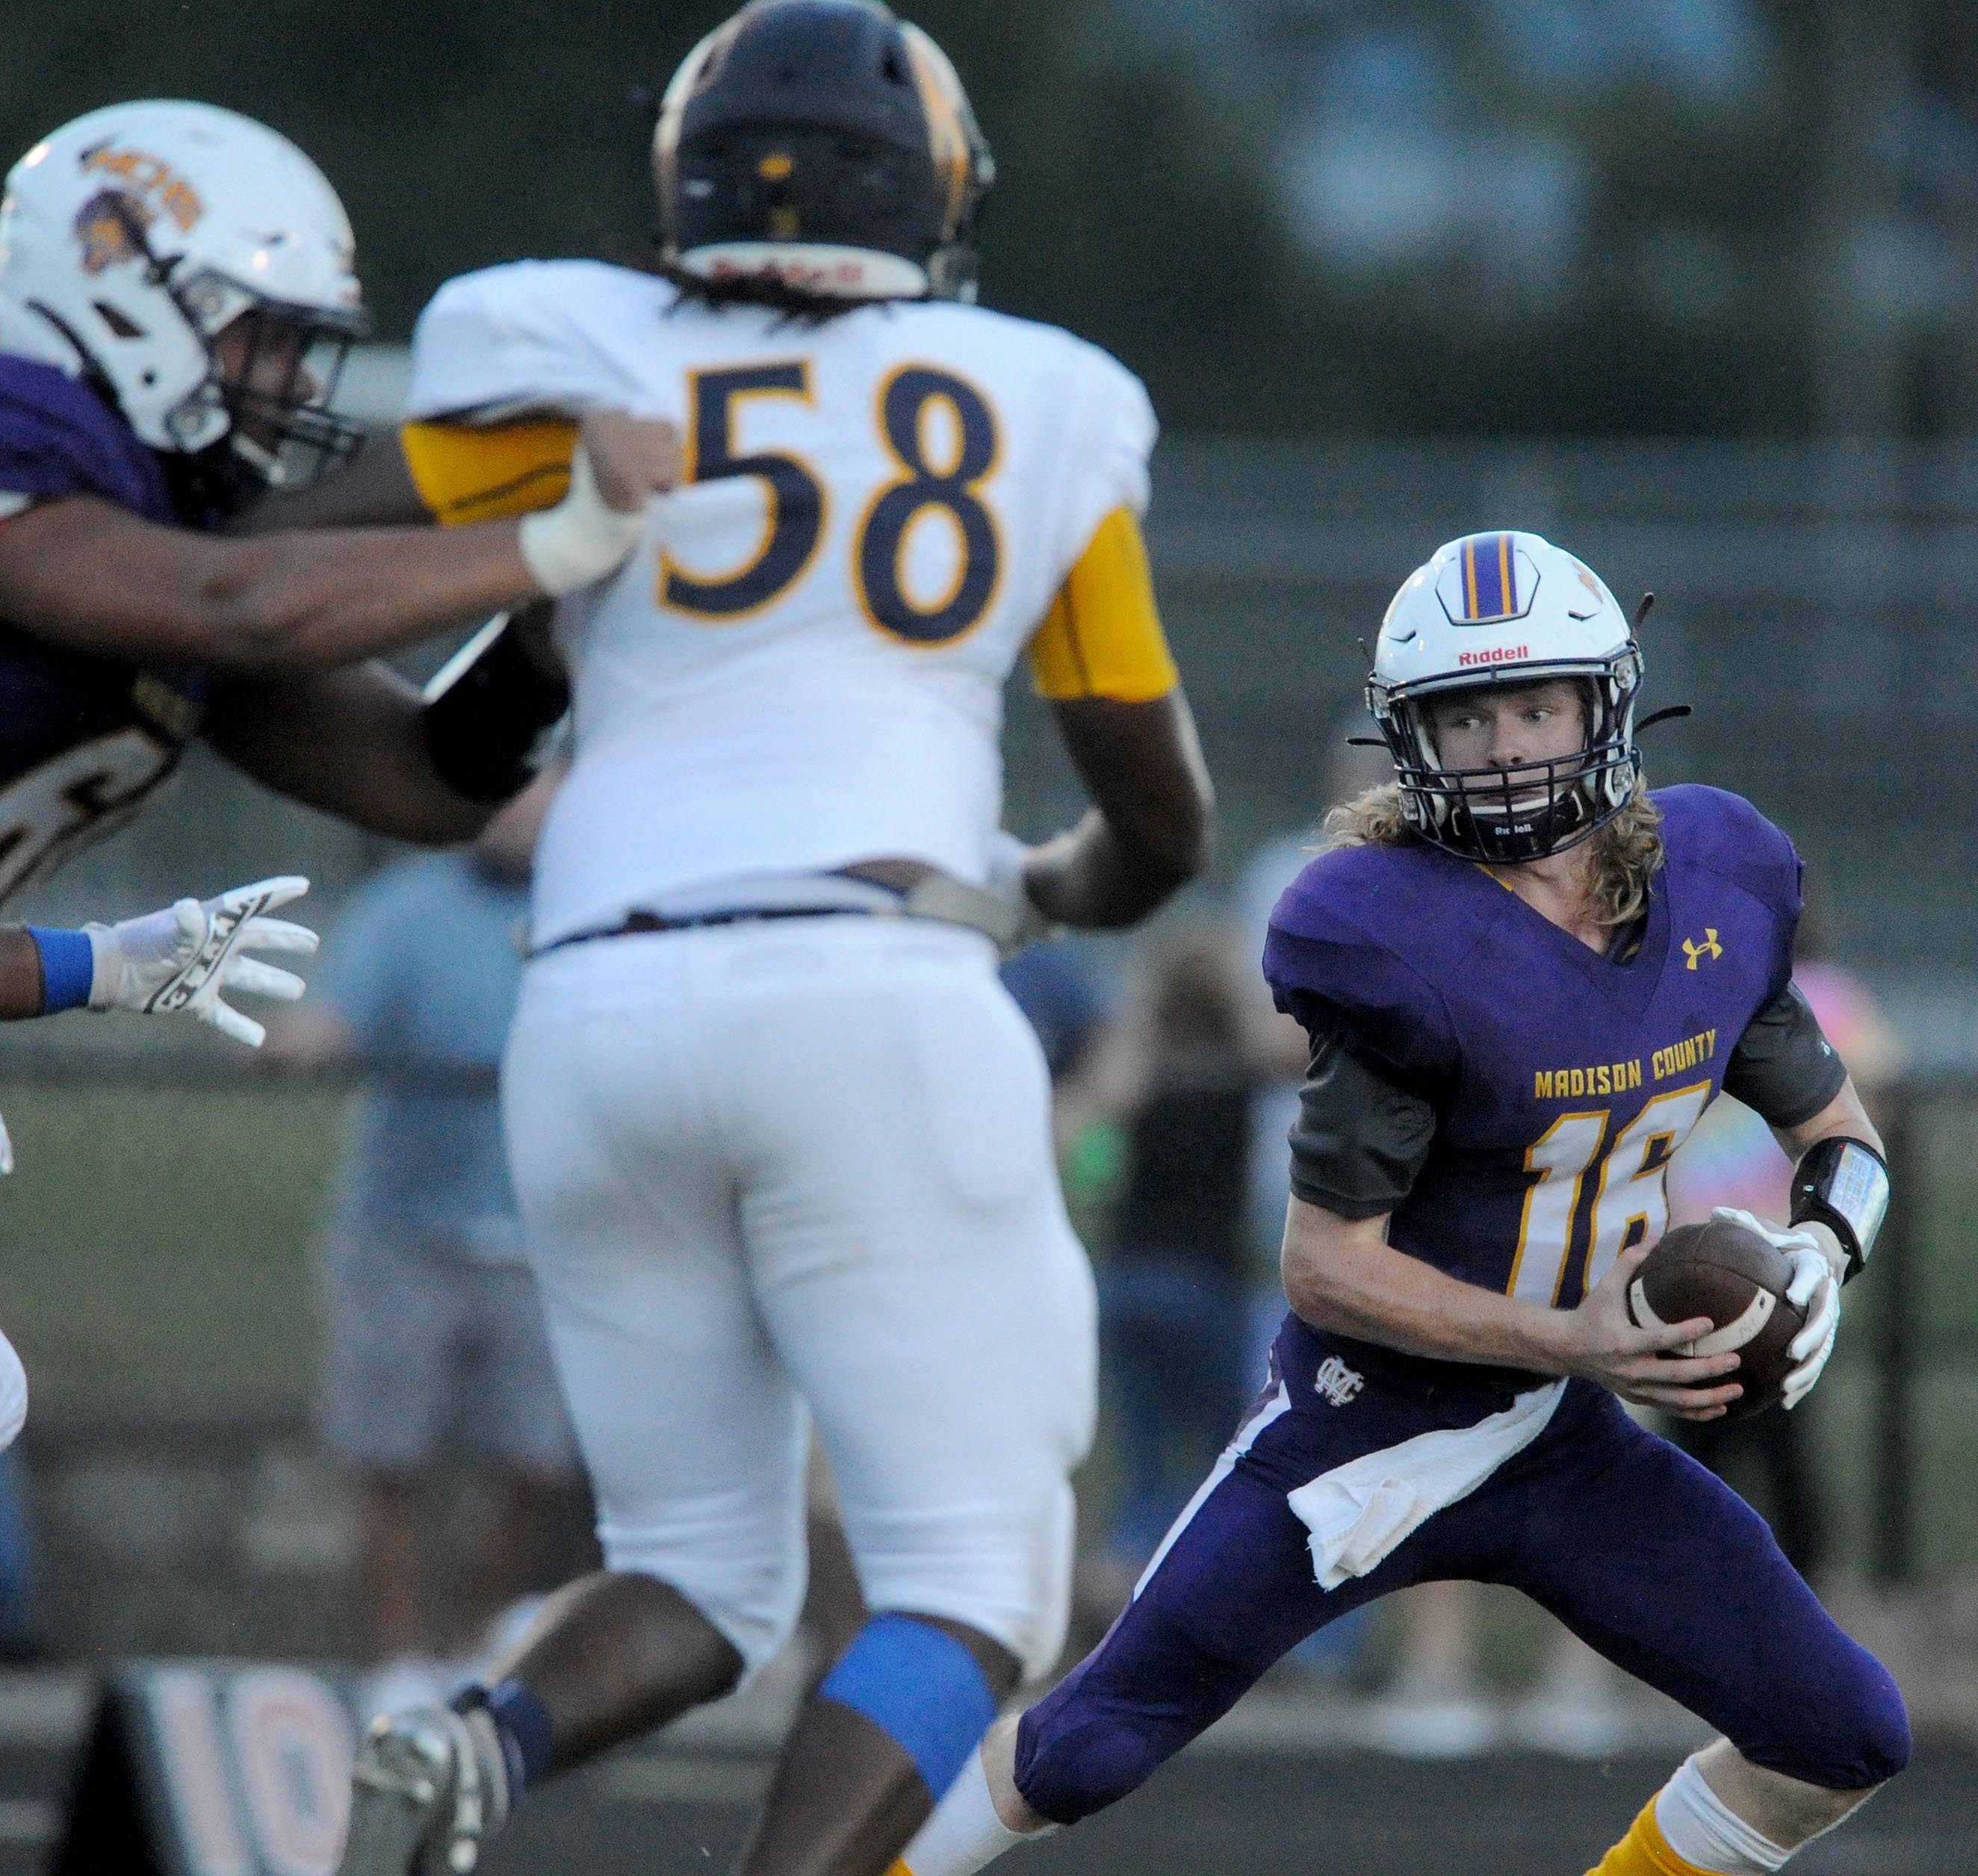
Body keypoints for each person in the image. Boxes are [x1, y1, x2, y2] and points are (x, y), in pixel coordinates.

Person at [332, 6, 1212, 1875]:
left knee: (694, 1569)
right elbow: (1157, 810)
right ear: (940, 189)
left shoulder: (595, 364)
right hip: (871, 978)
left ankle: (482, 1743)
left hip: (585, 1007)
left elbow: (347, 558)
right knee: (975, 1578)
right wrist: (1056, 886)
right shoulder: (1031, 390)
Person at [894, 529, 1907, 1876]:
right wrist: (1574, 1340)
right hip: (1364, 1438)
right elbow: (1321, 1266)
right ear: (1409, 736)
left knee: (1840, 1731)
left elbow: (1837, 1130)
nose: (1502, 745)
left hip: (1556, 1436)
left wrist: (1820, 1252)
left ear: (1604, 700)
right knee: (1088, 1744)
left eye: (1532, 705)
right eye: (1465, 715)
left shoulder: (1712, 887)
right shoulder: (1392, 935)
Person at [0, 99, 678, 909]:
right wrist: (560, 538)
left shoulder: (154, 528)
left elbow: (427, 783)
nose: (304, 380)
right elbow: (241, 602)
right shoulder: (29, 425)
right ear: (121, 303)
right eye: (272, 339)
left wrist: (536, 631)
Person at [264, 773, 581, 1707]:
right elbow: (337, 1014)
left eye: (543, 792)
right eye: (508, 789)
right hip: (405, 1232)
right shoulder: (403, 908)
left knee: (533, 1460)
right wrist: (301, 1041)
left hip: (546, 1237)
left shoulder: (594, 905)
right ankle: (398, 1664)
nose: (521, 811)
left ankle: (478, 1642)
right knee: (390, 1454)